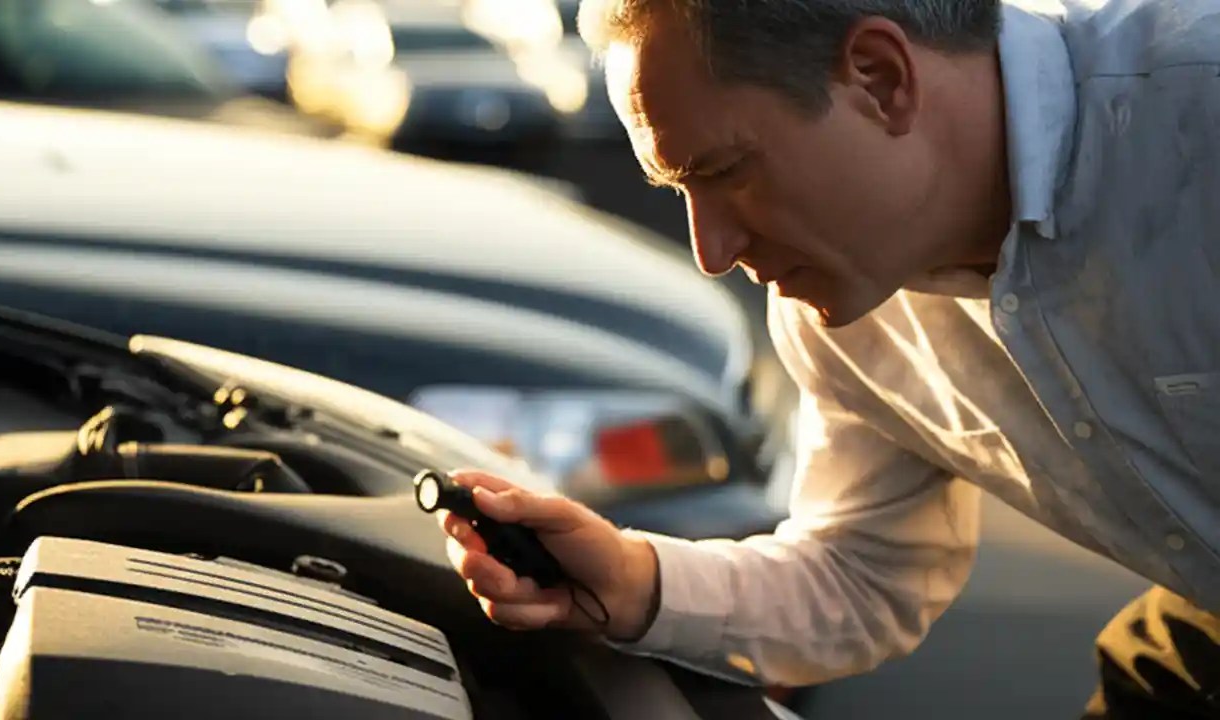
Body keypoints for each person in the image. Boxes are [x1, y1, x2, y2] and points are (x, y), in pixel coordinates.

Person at [435, 0, 1220, 716]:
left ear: (881, 78)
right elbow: (863, 575)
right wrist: (633, 580)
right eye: (679, 190)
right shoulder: (841, 307)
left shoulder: (1198, 113)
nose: (712, 252)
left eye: (724, 171)